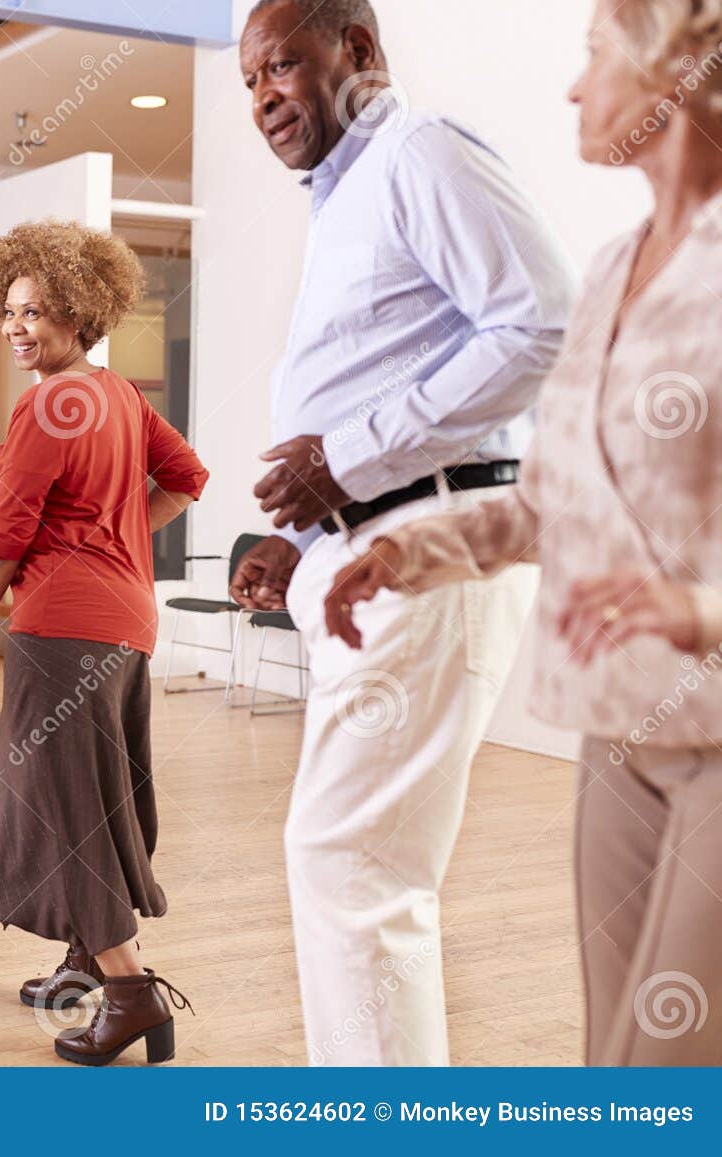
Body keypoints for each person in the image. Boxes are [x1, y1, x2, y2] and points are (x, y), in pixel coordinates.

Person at [322, 0, 722, 1066]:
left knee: (670, 1058)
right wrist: (405, 545)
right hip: (618, 721)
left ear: (676, 72)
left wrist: (701, 604)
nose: (573, 89)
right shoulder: (608, 270)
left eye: (594, 57)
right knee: (611, 1058)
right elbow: (551, 503)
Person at [231, 0, 577, 1065]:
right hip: (377, 550)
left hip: (430, 550)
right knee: (347, 862)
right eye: (249, 81)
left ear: (361, 53)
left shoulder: (417, 152)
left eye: (281, 67)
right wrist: (313, 532)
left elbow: (540, 320)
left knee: (356, 866)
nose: (262, 99)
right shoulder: (343, 201)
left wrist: (349, 461)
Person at [0, 221, 209, 1067]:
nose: (17, 327)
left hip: (64, 629)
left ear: (79, 312)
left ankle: (130, 994)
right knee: (100, 794)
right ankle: (85, 957)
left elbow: (6, 532)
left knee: (60, 803)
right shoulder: (116, 392)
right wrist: (116, 538)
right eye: (9, 310)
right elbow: (187, 479)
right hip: (126, 619)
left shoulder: (46, 401)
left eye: (36, 312)